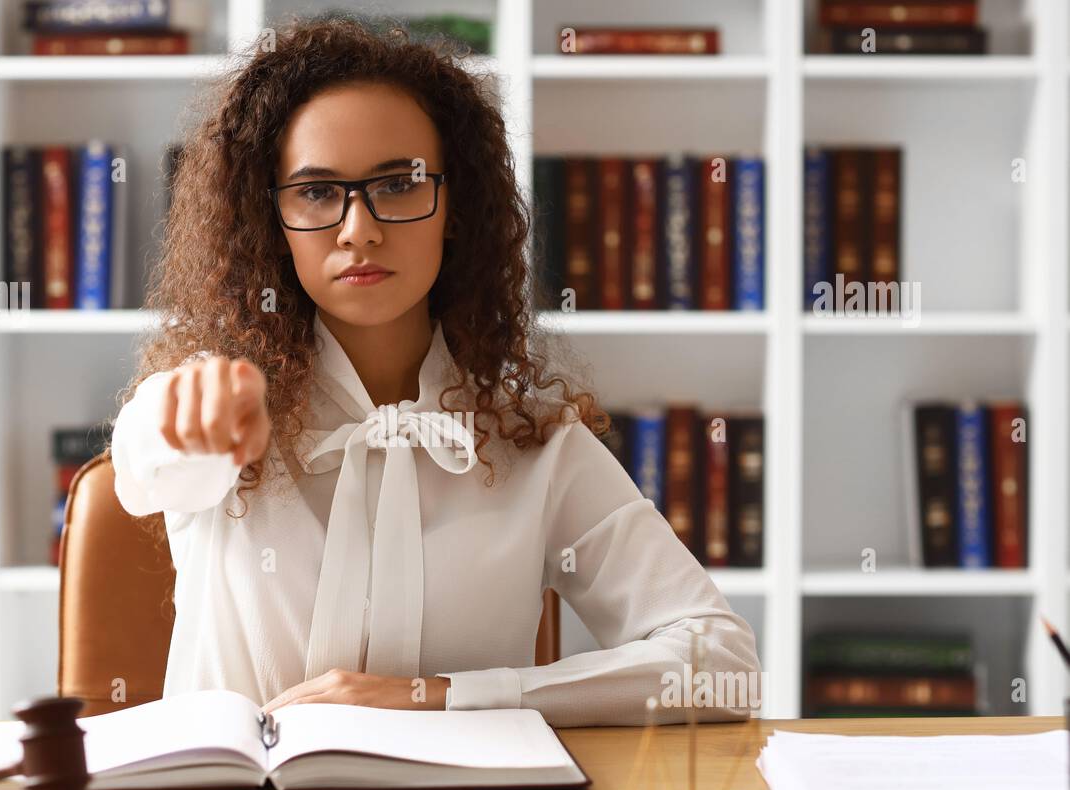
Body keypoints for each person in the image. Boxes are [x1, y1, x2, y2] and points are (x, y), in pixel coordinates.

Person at [109, 15, 761, 727]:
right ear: (272, 220)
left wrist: (453, 697)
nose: (359, 228)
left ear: (455, 207)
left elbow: (723, 665)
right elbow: (148, 464)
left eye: (399, 182)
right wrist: (184, 420)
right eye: (317, 193)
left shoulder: (533, 440)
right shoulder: (216, 407)